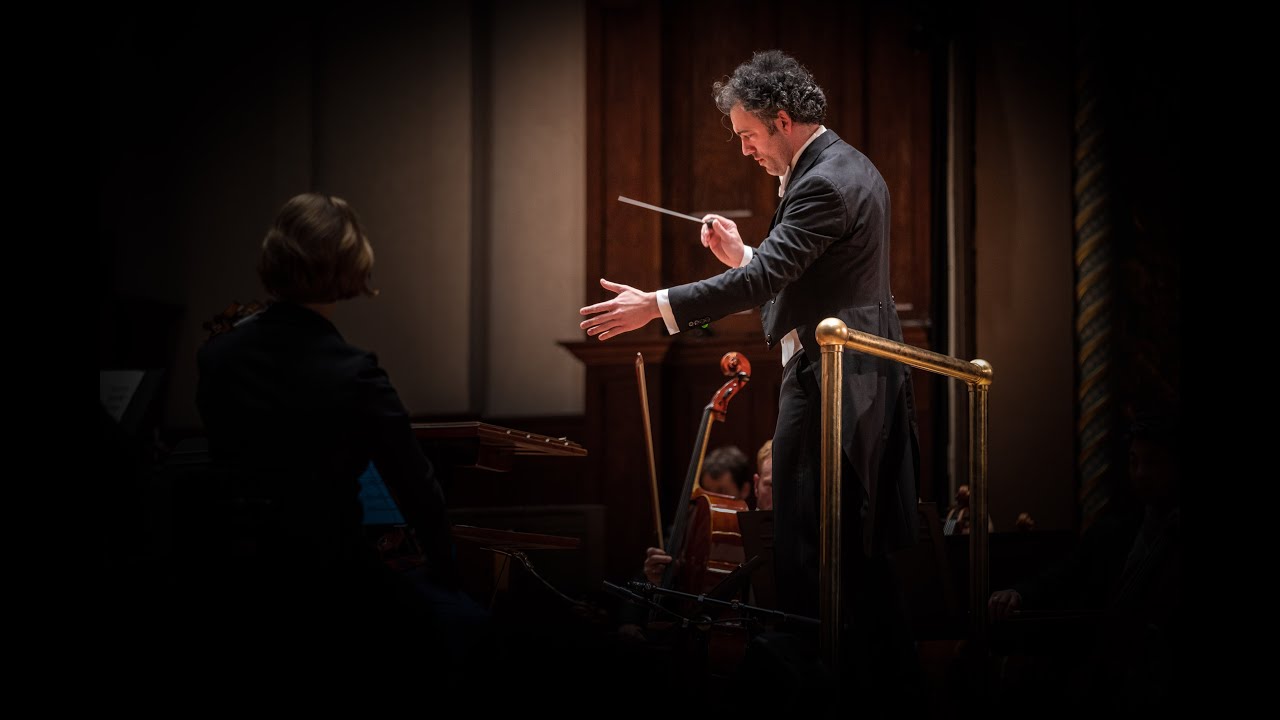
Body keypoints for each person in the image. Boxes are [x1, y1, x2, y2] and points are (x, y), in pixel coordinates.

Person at [580, 51, 920, 695]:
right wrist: (744, 253)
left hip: (838, 384)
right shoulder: (833, 166)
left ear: (782, 120)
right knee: (838, 558)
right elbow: (801, 274)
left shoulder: (824, 180)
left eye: (747, 136)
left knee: (811, 554)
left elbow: (768, 280)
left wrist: (654, 306)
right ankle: (874, 693)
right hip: (836, 378)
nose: (743, 151)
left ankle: (832, 696)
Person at [193, 192, 477, 666]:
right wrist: (449, 574)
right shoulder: (354, 373)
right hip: (328, 576)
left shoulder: (216, 358)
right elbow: (417, 488)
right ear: (353, 267)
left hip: (232, 576)